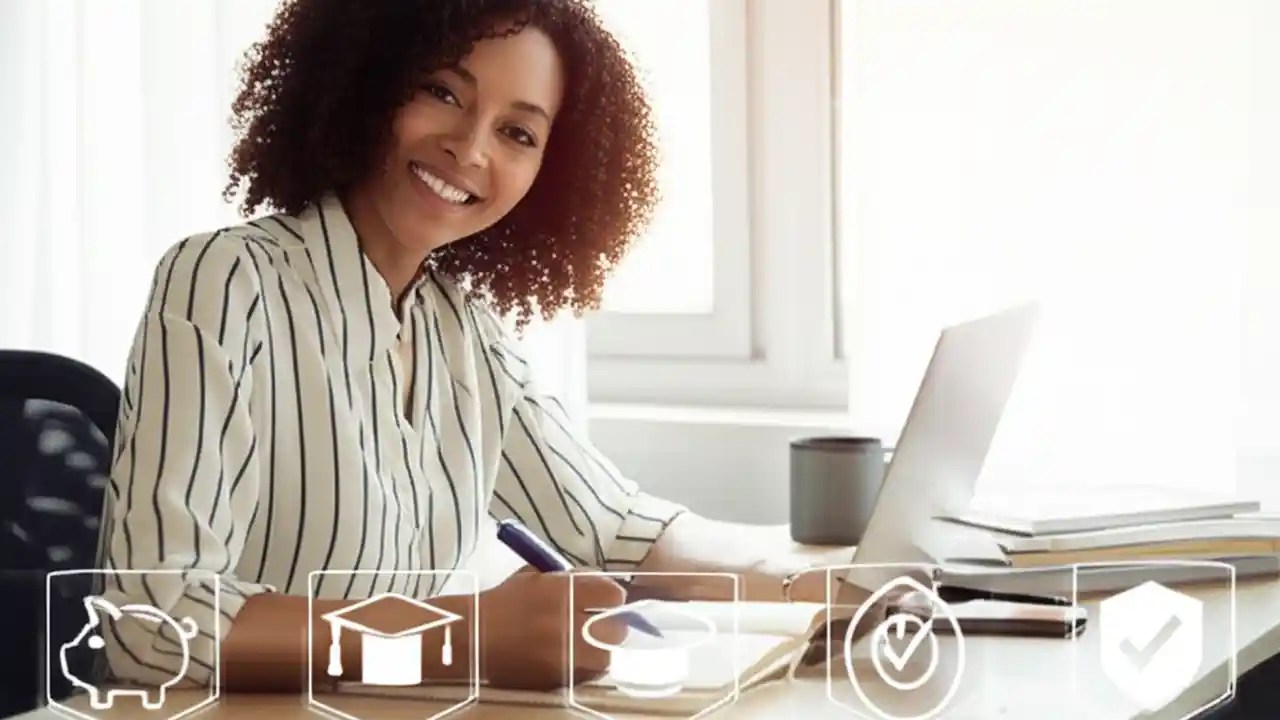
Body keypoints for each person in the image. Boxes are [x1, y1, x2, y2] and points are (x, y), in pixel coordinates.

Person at [101, 0, 846, 694]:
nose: (469, 147)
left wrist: (818, 582)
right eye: (443, 92)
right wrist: (464, 636)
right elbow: (153, 623)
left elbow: (614, 526)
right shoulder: (225, 281)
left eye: (517, 132)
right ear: (369, 83)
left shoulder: (461, 334)